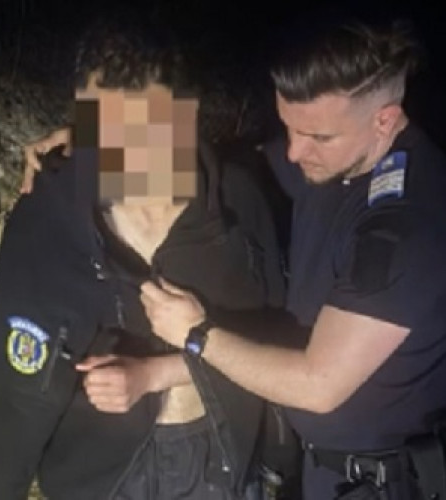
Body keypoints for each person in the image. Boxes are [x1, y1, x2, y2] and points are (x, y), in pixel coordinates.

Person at [0, 14, 296, 500]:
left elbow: (276, 336)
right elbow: (15, 387)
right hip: (100, 477)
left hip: (220, 460)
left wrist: (280, 462)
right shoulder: (46, 219)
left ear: (182, 116)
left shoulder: (240, 203)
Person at [140, 16, 446, 500]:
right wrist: (102, 144)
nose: (295, 151)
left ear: (384, 120)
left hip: (374, 482)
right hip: (316, 464)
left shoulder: (407, 227)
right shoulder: (338, 158)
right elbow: (230, 165)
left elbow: (317, 385)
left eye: (317, 136)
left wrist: (196, 334)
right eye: (289, 127)